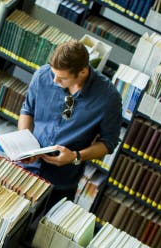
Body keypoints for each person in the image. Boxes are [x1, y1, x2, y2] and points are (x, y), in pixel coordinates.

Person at [18, 40, 122, 205]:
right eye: (54, 74)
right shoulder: (43, 76)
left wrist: (75, 156)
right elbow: (27, 111)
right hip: (25, 170)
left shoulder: (109, 98)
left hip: (62, 182)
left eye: (62, 78)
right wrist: (24, 144)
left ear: (82, 72)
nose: (54, 81)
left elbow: (108, 143)